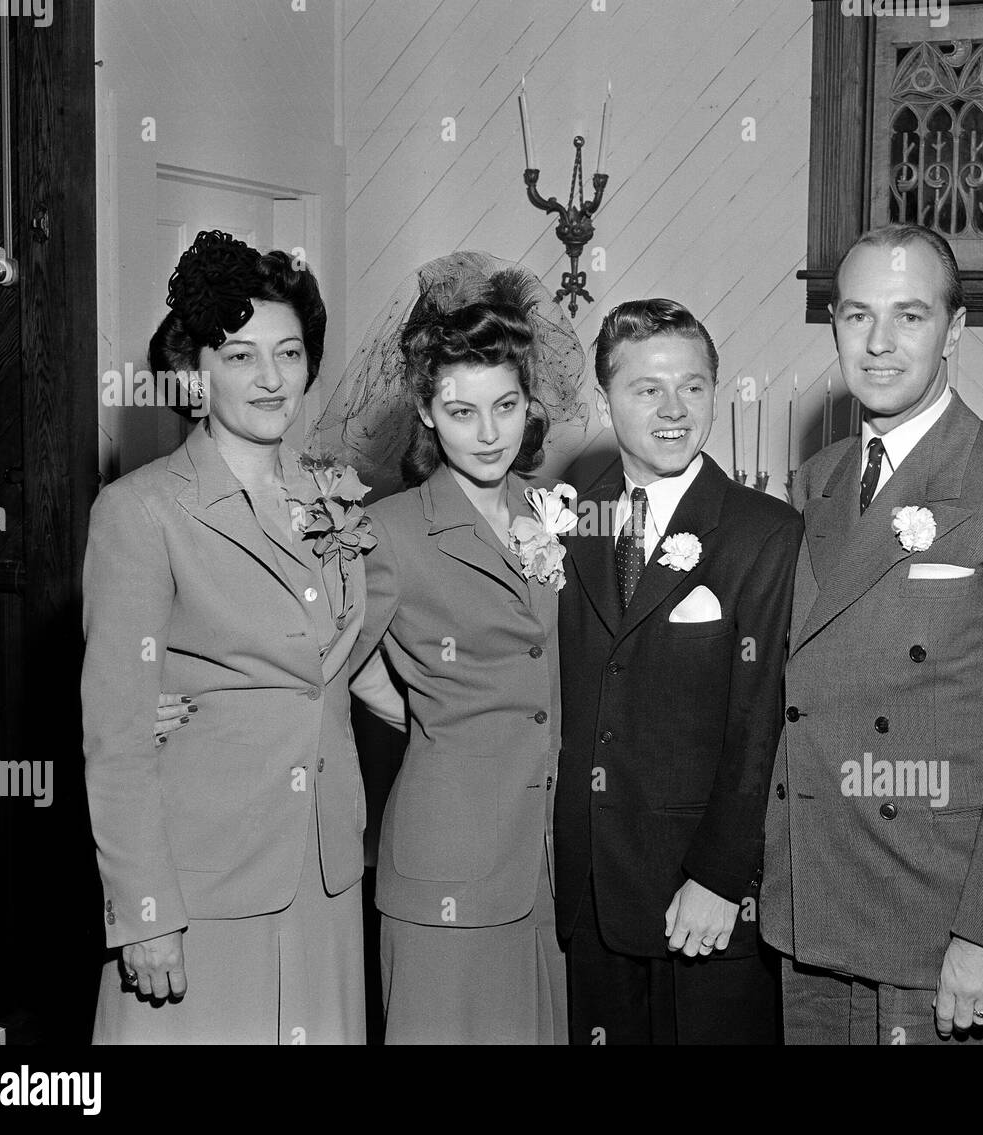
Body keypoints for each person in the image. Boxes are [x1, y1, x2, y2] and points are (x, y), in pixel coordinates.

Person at [761, 223, 983, 1044]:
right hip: (815, 905)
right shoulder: (821, 478)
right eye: (855, 316)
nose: (877, 343)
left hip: (937, 923)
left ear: (955, 329)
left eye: (909, 316)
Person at [82, 230, 374, 1044]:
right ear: (195, 373)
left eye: (288, 351)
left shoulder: (333, 496)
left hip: (323, 875)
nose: (272, 377)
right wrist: (144, 913)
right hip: (201, 885)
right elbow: (115, 737)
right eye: (241, 355)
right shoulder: (140, 511)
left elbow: (343, 670)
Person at [316, 252, 586, 1044]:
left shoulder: (545, 510)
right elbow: (323, 673)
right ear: (427, 413)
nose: (489, 431)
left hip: (542, 868)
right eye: (462, 411)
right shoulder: (392, 532)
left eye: (505, 405)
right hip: (447, 872)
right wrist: (422, 717)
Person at [555, 299, 804, 1044]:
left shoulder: (765, 532)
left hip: (698, 896)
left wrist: (723, 876)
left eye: (693, 387)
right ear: (606, 397)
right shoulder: (568, 519)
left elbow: (762, 721)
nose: (673, 410)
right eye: (647, 389)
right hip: (589, 886)